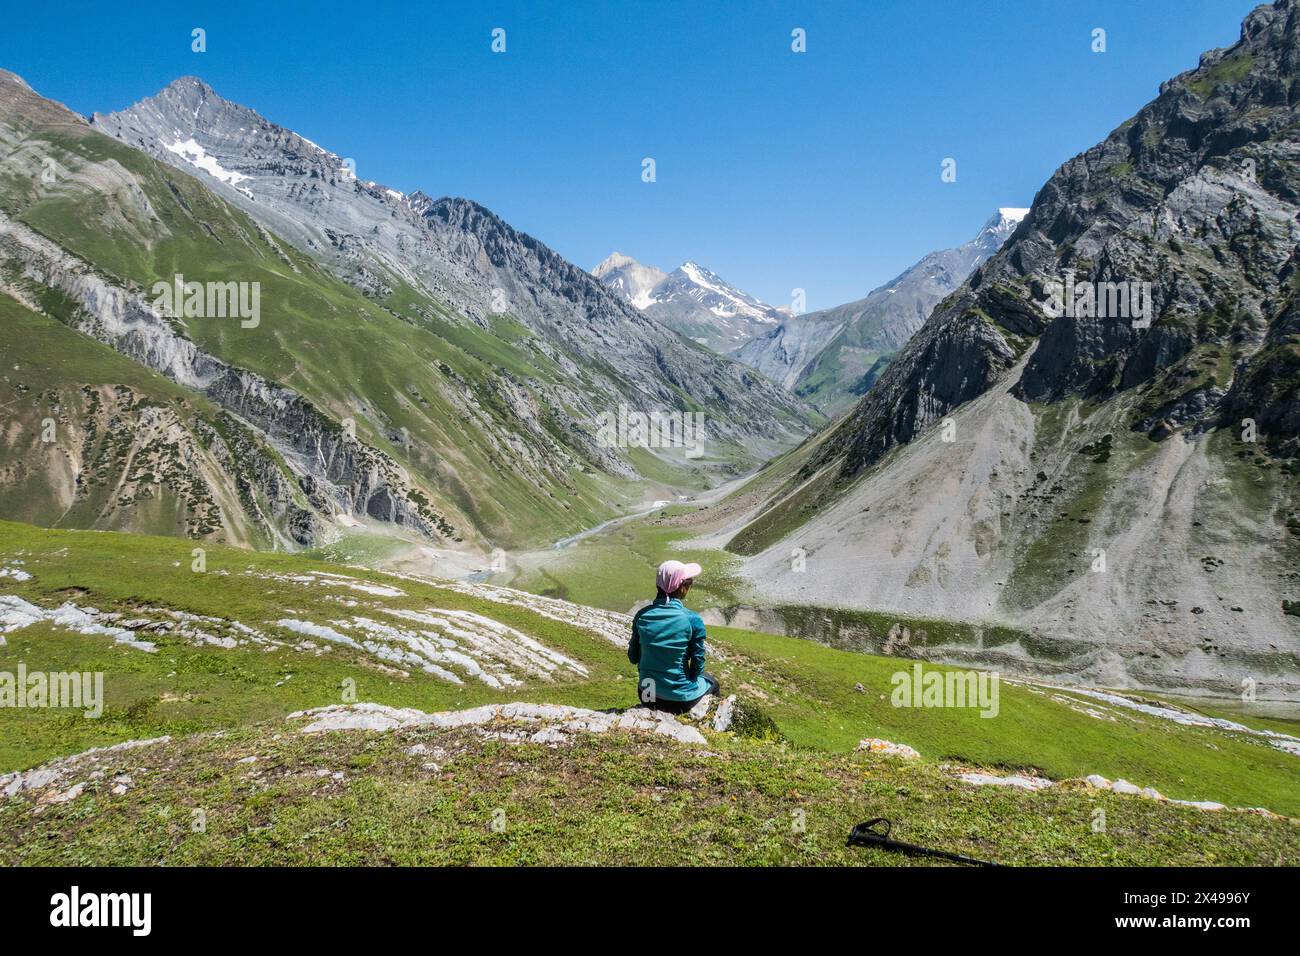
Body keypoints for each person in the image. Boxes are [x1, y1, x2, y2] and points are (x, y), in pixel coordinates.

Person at [627, 559, 720, 713]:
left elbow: (633, 657)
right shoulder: (692, 619)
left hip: (647, 696)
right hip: (680, 701)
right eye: (689, 583)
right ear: (682, 587)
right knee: (713, 683)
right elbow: (697, 666)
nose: (690, 586)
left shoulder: (641, 616)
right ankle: (707, 722)